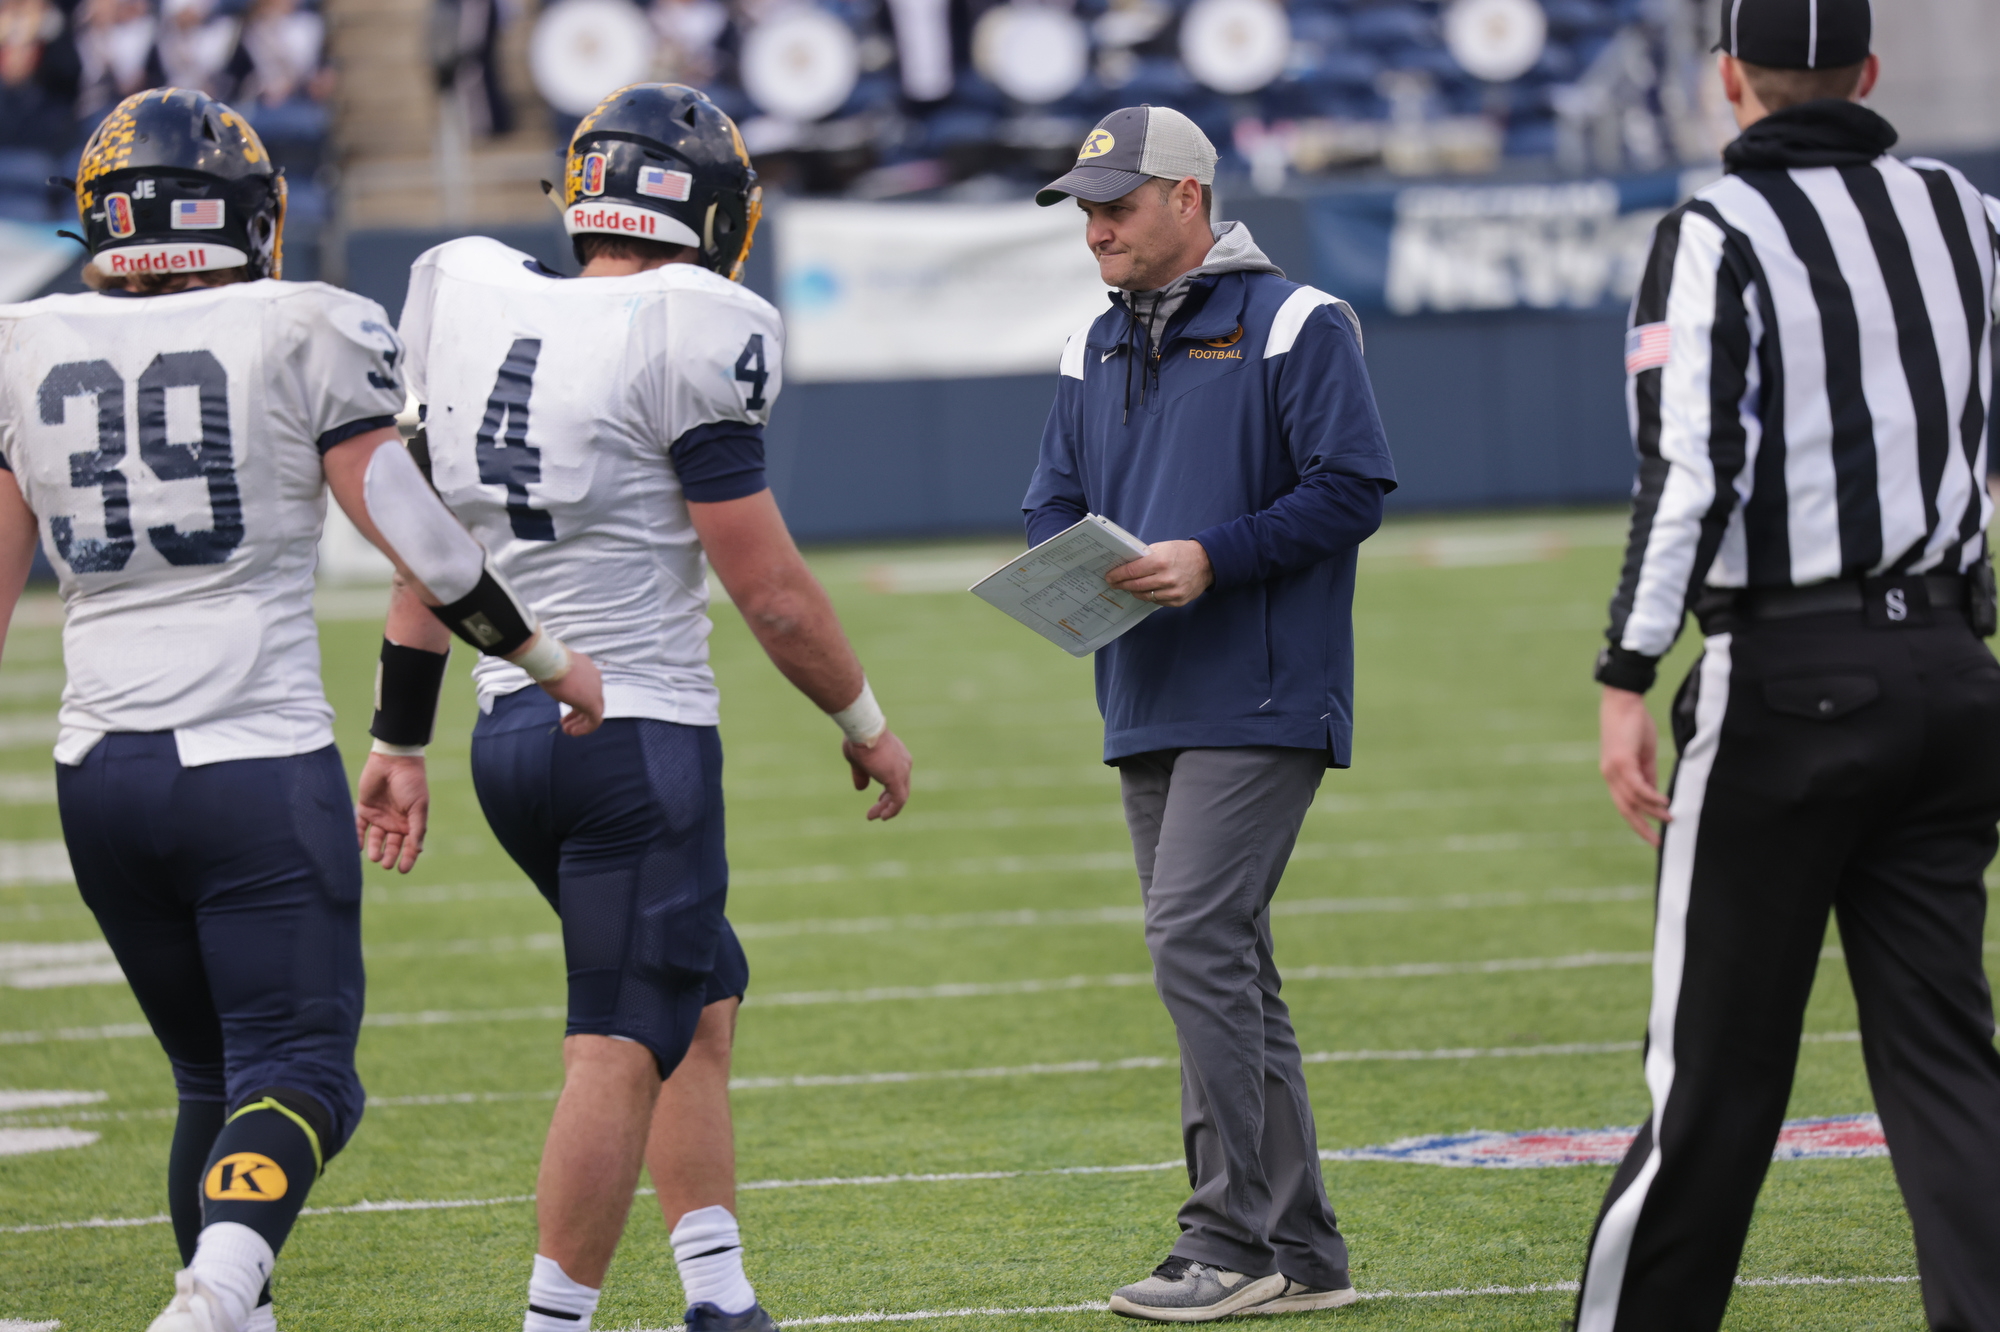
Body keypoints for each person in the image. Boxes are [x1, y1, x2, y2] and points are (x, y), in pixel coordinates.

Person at [0, 87, 605, 1332]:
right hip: (251, 763)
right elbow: (423, 541)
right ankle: (217, 1294)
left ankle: (238, 1312)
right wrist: (545, 658)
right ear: (247, 215)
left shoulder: (22, 341)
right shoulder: (303, 322)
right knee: (301, 1075)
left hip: (96, 770)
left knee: (208, 1075)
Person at [385, 82, 914, 1332]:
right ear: (717, 217)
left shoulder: (470, 296)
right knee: (616, 1042)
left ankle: (719, 1291)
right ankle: (553, 1322)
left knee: (697, 1003)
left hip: (509, 731)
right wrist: (864, 724)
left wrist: (399, 732)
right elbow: (769, 592)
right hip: (630, 735)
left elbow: (427, 551)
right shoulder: (690, 324)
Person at [1578, 1, 2000, 1327]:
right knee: (1949, 1065)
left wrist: (1625, 671)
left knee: (1708, 1071)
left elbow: (1688, 470)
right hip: (1952, 670)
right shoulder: (1964, 212)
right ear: (1866, 73)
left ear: (1727, 82)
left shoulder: (1715, 229)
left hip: (1789, 680)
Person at [1023, 104, 1397, 1321]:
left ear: (1188, 196)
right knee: (1219, 964)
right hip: (1140, 691)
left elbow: (1351, 489)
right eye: (1083, 211)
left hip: (1262, 688)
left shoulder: (1297, 321)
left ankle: (1227, 1239)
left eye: (1115, 207)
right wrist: (1064, 565)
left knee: (1191, 940)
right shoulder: (1088, 343)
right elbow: (1050, 501)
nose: (1095, 231)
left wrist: (1211, 557)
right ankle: (1304, 1254)